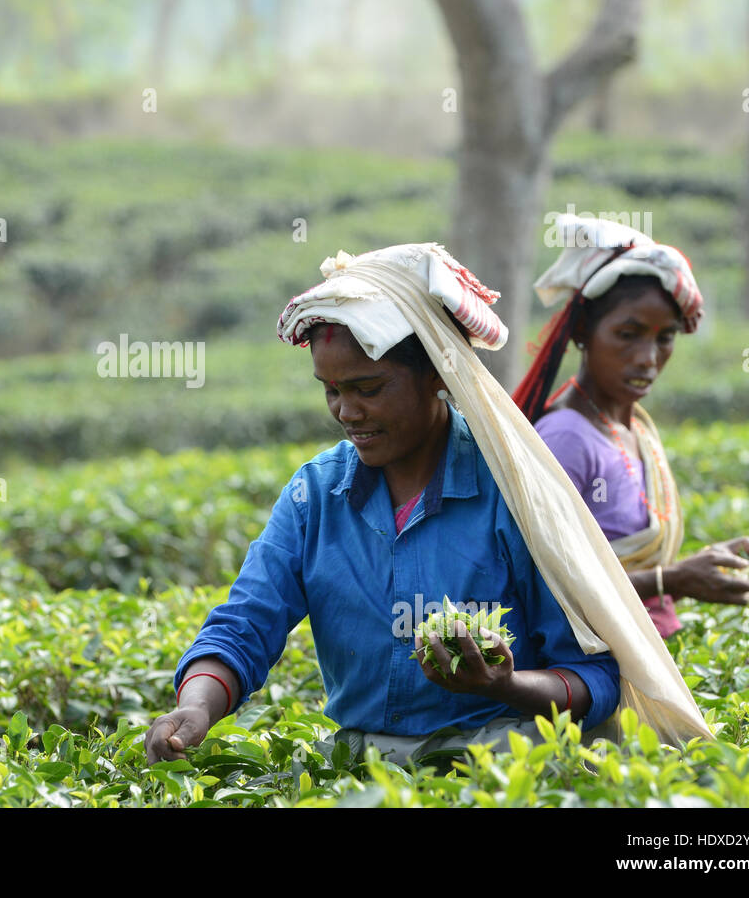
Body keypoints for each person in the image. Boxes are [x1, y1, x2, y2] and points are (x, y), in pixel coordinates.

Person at [144, 245, 646, 768]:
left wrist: (506, 683)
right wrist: (196, 706)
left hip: (504, 758)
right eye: (331, 390)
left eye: (368, 388)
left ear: (436, 373)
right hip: (366, 760)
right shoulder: (315, 495)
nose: (346, 411)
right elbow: (246, 623)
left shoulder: (512, 492)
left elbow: (595, 677)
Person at [514, 216, 749, 639]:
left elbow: (624, 562)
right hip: (599, 675)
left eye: (664, 338)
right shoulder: (565, 438)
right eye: (628, 334)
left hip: (649, 653)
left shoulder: (634, 428)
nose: (648, 357)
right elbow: (547, 590)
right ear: (582, 332)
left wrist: (708, 562)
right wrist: (672, 579)